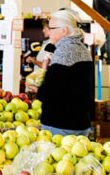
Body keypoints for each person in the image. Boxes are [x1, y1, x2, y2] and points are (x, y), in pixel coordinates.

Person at [37, 9, 93, 137]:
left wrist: (38, 89)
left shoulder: (63, 51)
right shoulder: (83, 49)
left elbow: (52, 92)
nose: (48, 32)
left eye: (51, 28)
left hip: (60, 124)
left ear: (64, 30)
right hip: (81, 122)